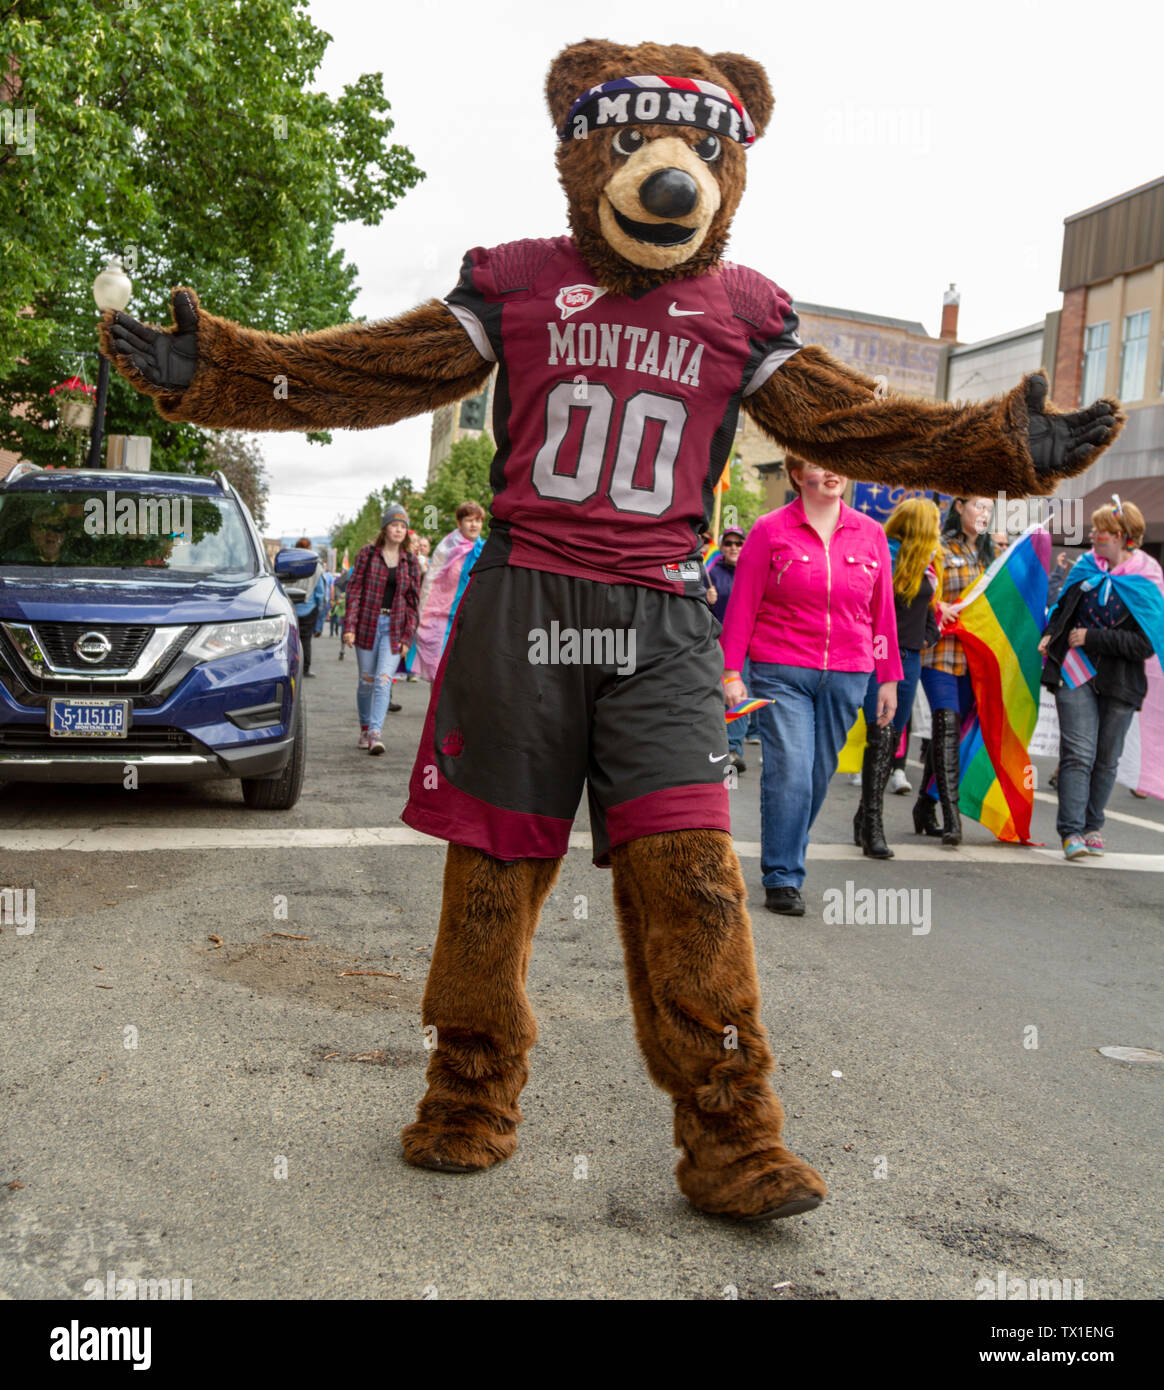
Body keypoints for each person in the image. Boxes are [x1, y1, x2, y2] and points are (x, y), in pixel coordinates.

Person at [722, 458, 901, 915]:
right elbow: (743, 605)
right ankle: (782, 876)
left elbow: (883, 613)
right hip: (781, 668)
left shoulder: (871, 534)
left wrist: (889, 678)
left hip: (849, 671)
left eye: (840, 463)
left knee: (818, 775)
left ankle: (787, 852)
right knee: (792, 772)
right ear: (799, 474)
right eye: (819, 465)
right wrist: (730, 671)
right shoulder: (768, 530)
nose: (832, 472)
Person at [1038, 500, 1163, 860]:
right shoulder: (1085, 567)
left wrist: (1091, 637)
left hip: (1121, 680)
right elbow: (1063, 609)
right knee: (1078, 753)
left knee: (1107, 758)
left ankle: (1093, 824)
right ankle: (1071, 832)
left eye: (1100, 531)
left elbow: (1145, 644)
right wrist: (1053, 633)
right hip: (1075, 671)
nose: (1093, 536)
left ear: (1121, 537)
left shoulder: (1147, 578)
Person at [853, 498, 942, 858]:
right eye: (934, 524)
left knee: (891, 740)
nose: (938, 531)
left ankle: (863, 816)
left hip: (911, 658)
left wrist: (929, 635)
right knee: (880, 733)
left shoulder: (928, 566)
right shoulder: (881, 558)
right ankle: (873, 825)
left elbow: (928, 611)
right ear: (920, 526)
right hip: (879, 657)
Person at [915, 496, 995, 845]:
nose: (984, 513)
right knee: (946, 723)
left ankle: (924, 803)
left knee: (953, 733)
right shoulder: (939, 549)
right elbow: (917, 588)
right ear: (960, 507)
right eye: (979, 506)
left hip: (975, 660)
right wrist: (938, 604)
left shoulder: (992, 558)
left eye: (990, 509)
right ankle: (952, 817)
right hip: (940, 655)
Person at [342, 505, 422, 754]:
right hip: (367, 623)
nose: (399, 529)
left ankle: (376, 733)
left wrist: (408, 637)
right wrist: (349, 626)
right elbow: (354, 591)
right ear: (385, 528)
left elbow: (413, 602)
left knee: (383, 680)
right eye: (394, 525)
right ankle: (365, 728)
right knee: (366, 681)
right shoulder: (367, 554)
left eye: (402, 526)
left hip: (394, 628)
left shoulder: (410, 562)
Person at [412, 502, 486, 680]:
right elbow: (432, 582)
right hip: (443, 617)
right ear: (459, 523)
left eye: (478, 520)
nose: (474, 525)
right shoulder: (446, 549)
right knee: (439, 671)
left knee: (463, 672)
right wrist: (423, 613)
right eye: (469, 520)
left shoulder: (484, 549)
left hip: (471, 618)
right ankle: (437, 708)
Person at [706, 525, 751, 770]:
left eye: (739, 543)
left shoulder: (753, 571)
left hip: (744, 648)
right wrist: (705, 596)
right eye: (729, 543)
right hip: (713, 646)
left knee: (739, 698)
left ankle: (733, 748)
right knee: (714, 698)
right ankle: (713, 746)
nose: (734, 547)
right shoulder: (710, 572)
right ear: (721, 547)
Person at [291, 537, 327, 677]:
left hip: (291, 607)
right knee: (306, 640)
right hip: (309, 608)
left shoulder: (290, 564)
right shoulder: (316, 567)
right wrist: (320, 608)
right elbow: (320, 593)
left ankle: (291, 668)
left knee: (291, 639)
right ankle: (305, 669)